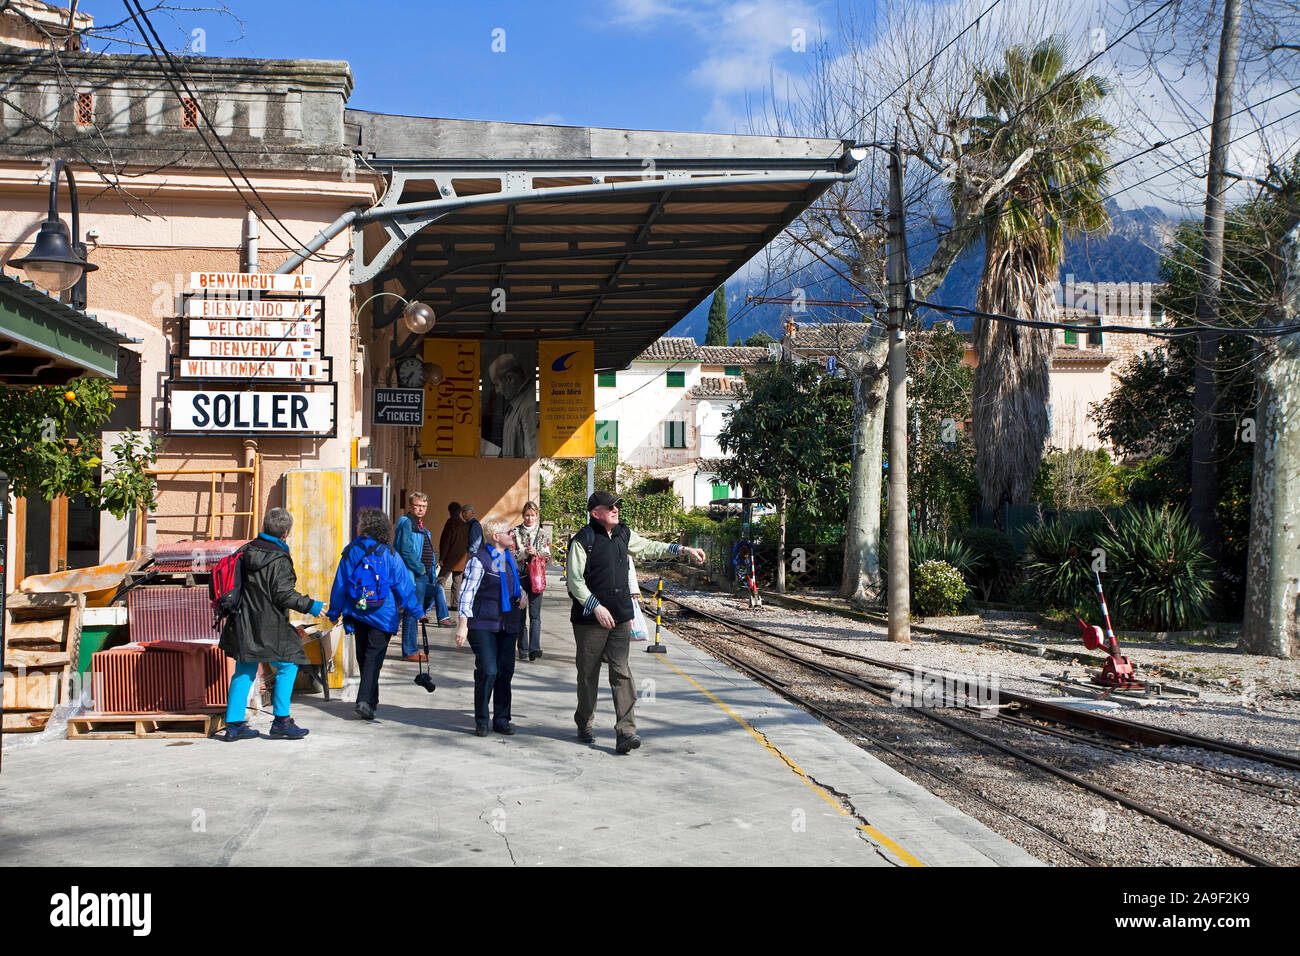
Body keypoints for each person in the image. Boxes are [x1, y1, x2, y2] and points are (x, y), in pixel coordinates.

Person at [566, 491, 705, 753]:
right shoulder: (583, 540)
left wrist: (683, 549)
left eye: (617, 506)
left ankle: (626, 733)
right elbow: (575, 582)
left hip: (620, 615)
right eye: (610, 507)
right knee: (588, 675)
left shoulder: (623, 534)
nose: (616, 510)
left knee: (622, 672)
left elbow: (649, 546)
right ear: (595, 513)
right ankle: (584, 722)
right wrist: (595, 607)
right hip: (589, 620)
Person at [219, 507, 324, 742]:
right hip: (269, 624)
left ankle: (234, 726)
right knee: (289, 663)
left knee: (244, 668)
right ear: (286, 533)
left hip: (242, 621)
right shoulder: (279, 558)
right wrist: (312, 605)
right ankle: (281, 722)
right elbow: (283, 595)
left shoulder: (247, 550)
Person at [326, 507, 424, 721]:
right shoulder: (390, 553)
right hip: (383, 614)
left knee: (364, 658)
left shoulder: (352, 550)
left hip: (358, 611)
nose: (357, 525)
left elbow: (341, 584)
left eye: (360, 522)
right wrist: (417, 611)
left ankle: (366, 701)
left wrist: (334, 611)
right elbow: (402, 585)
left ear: (366, 526)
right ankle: (368, 701)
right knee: (372, 659)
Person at [455, 516, 525, 737]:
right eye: (509, 532)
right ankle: (482, 719)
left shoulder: (508, 557)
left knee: (505, 672)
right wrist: (462, 626)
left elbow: (513, 583)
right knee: (488, 670)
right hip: (483, 624)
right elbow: (466, 594)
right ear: (496, 537)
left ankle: (502, 719)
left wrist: (522, 594)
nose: (512, 535)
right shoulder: (479, 560)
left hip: (508, 623)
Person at [395, 491, 451, 662]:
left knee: (432, 595)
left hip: (423, 576)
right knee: (412, 613)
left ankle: (412, 648)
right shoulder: (406, 523)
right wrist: (420, 569)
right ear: (411, 507)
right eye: (418, 506)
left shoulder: (420, 526)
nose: (421, 509)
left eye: (424, 506)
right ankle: (410, 651)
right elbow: (406, 549)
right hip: (415, 575)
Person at [512, 501, 551, 661]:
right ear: (523, 515)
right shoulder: (514, 532)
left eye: (532, 515)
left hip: (536, 576)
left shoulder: (542, 534)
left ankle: (535, 648)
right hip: (520, 576)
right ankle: (523, 648)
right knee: (520, 615)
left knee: (535, 615)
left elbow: (548, 557)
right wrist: (523, 553)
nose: (529, 518)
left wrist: (537, 553)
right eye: (527, 515)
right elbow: (510, 555)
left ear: (536, 516)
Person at [487, 353, 538, 458]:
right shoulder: (515, 406)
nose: (497, 391)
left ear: (510, 378)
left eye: (497, 384)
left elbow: (530, 457)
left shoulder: (528, 407)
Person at [437, 500, 468, 612]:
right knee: (457, 581)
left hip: (450, 557)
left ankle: (438, 601)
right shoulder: (464, 525)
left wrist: (442, 557)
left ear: (450, 511)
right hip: (461, 557)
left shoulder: (450, 523)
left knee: (441, 580)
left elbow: (446, 541)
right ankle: (455, 604)